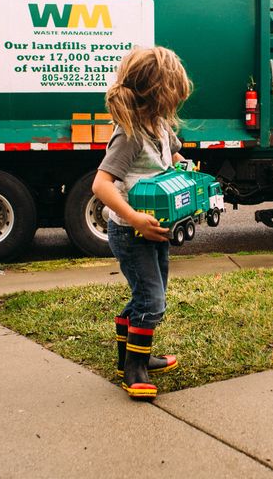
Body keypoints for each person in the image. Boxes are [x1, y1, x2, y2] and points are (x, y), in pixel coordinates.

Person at [91, 46, 192, 401]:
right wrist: (135, 218)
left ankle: (132, 357)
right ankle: (135, 369)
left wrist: (183, 165)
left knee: (147, 296)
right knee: (152, 301)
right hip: (130, 232)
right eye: (174, 92)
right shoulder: (129, 134)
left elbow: (172, 153)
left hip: (155, 229)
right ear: (157, 93)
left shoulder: (159, 126)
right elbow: (101, 184)